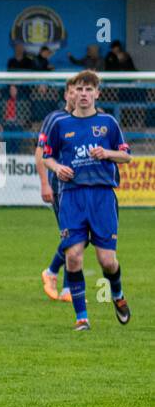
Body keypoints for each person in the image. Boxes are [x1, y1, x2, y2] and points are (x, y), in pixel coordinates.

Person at [39, 70, 132, 330]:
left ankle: (117, 294)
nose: (83, 94)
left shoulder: (108, 123)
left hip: (102, 197)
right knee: (73, 257)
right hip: (72, 196)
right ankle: (82, 318)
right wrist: (57, 168)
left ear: (97, 94)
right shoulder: (60, 124)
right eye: (79, 89)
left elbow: (126, 156)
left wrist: (107, 153)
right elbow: (47, 156)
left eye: (89, 89)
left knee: (107, 261)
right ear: (72, 93)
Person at [36, 81, 77, 302]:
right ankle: (65, 287)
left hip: (83, 186)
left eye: (82, 90)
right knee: (72, 235)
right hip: (61, 186)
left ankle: (55, 275)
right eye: (73, 92)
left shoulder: (92, 119)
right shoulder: (54, 119)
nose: (77, 95)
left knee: (81, 235)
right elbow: (40, 152)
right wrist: (45, 183)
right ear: (66, 95)